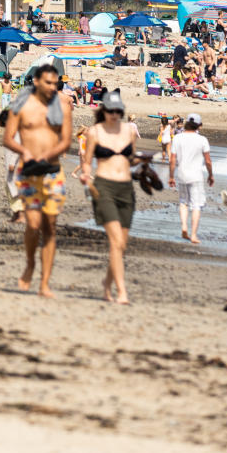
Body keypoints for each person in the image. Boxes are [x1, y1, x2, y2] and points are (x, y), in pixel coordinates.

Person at [5, 62, 73, 298]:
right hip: (29, 172)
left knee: (50, 227)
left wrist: (49, 153)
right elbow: (8, 138)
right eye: (48, 83)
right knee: (33, 225)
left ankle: (44, 283)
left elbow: (66, 141)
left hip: (53, 172)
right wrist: (24, 152)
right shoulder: (21, 106)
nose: (53, 87)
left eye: (56, 83)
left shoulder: (63, 107)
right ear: (36, 82)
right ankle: (30, 264)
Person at [79, 90, 139, 304]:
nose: (115, 115)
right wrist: (85, 173)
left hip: (126, 188)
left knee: (121, 244)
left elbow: (131, 159)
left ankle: (107, 283)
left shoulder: (128, 132)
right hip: (103, 187)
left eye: (118, 111)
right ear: (104, 110)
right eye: (111, 111)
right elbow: (86, 159)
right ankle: (121, 292)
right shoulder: (94, 132)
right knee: (115, 241)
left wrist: (142, 165)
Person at [168, 114, 213, 243]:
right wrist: (210, 175)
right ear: (199, 125)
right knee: (196, 205)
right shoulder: (202, 140)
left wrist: (171, 176)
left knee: (183, 202)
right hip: (196, 175)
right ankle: (193, 234)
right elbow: (208, 161)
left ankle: (184, 227)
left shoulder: (177, 138)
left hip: (181, 174)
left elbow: (173, 160)